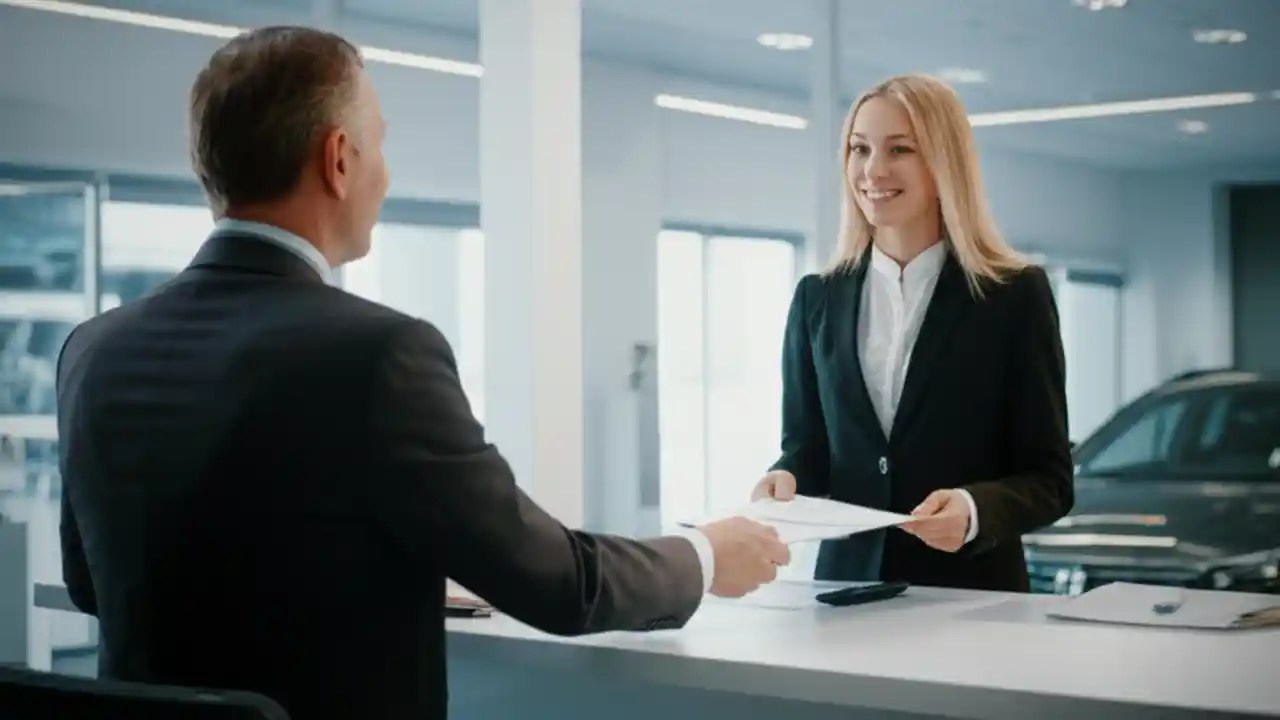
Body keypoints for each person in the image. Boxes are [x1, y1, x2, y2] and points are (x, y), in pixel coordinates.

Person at [56, 27, 789, 720]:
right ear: (339, 159)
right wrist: (703, 554)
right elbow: (557, 583)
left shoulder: (93, 350)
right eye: (380, 143)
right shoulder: (377, 353)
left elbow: (94, 582)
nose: (386, 170)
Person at [751, 75, 1072, 591]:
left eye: (899, 149)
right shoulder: (818, 299)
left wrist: (973, 509)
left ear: (944, 162)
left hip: (970, 599)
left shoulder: (1012, 296)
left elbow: (1050, 480)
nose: (873, 170)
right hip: (846, 595)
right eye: (860, 149)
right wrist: (785, 479)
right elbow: (807, 451)